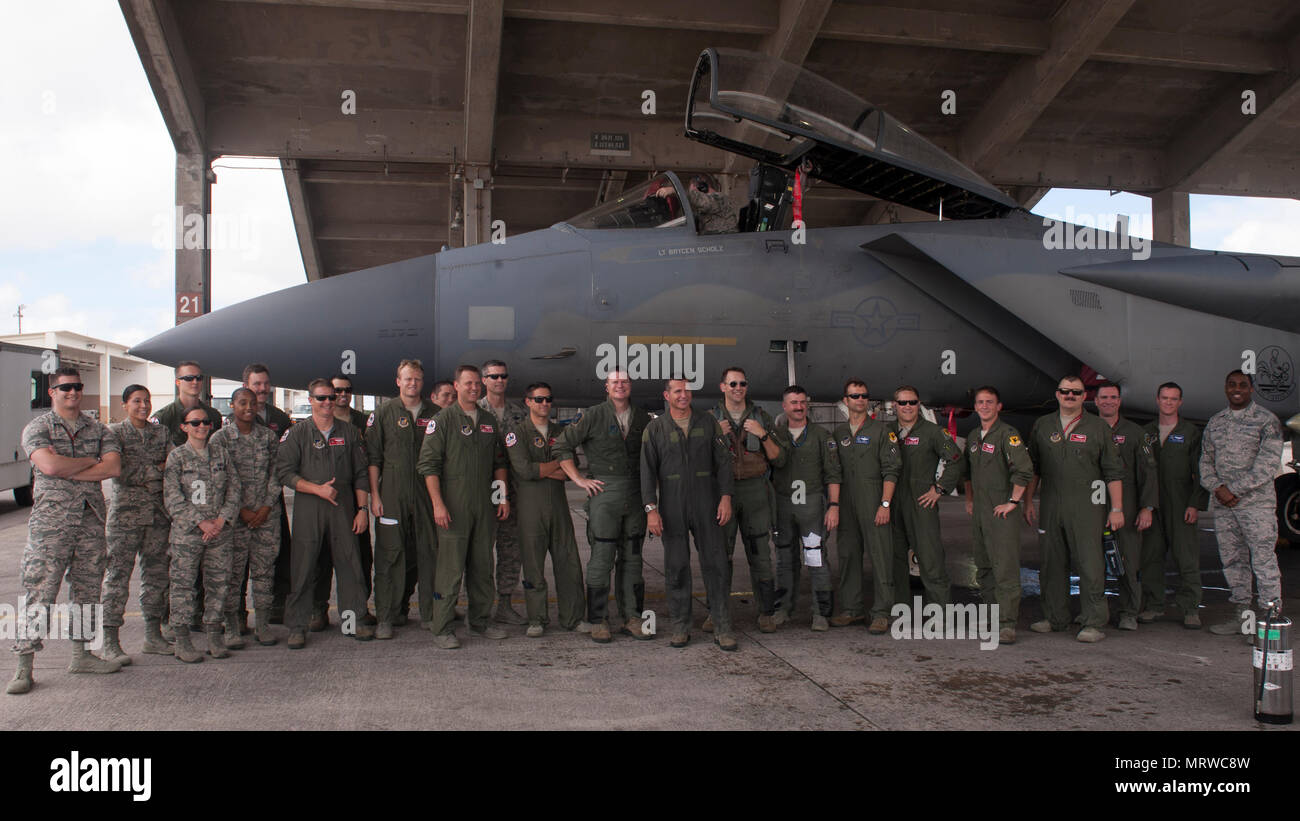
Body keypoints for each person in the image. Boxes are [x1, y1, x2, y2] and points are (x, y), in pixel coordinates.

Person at [8, 367, 123, 695]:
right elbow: (49, 465)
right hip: (51, 525)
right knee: (39, 593)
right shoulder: (38, 428)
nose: (72, 392)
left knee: (88, 591)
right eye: (65, 388)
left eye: (77, 387)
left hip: (90, 522)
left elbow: (113, 467)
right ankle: (24, 665)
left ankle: (81, 656)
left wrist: (67, 468)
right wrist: (90, 461)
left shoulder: (98, 428)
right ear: (52, 392)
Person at [275, 379, 375, 648]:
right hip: (310, 507)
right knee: (303, 566)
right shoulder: (297, 433)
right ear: (310, 400)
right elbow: (284, 473)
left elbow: (361, 474)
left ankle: (352, 622)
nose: (328, 402)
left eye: (331, 397)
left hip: (343, 507)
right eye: (321, 398)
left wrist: (362, 510)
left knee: (349, 563)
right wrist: (316, 489)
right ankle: (298, 626)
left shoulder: (350, 432)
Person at [1024, 375, 1125, 643]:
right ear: (1057, 394)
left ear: (1084, 397)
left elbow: (1113, 471)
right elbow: (1033, 468)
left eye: (1076, 392)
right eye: (1065, 391)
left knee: (1090, 564)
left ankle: (1093, 621)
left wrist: (1116, 508)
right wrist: (1028, 501)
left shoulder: (1098, 427)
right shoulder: (1043, 425)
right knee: (1052, 563)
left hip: (1087, 506)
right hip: (1051, 505)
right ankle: (1055, 617)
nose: (1070, 396)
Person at [555, 370, 652, 643]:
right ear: (606, 388)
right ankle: (598, 620)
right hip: (604, 495)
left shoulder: (643, 418)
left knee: (633, 559)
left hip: (635, 495)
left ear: (630, 386)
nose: (620, 386)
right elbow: (562, 446)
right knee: (602, 558)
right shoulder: (593, 415)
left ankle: (633, 617)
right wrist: (579, 479)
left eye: (624, 381)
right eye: (615, 382)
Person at [418, 365, 511, 648]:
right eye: (468, 383)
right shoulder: (443, 420)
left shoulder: (488, 420)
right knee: (450, 569)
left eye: (476, 384)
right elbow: (428, 466)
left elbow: (499, 462)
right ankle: (442, 628)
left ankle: (480, 621)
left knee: (483, 566)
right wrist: (438, 505)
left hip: (483, 505)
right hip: (454, 506)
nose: (473, 388)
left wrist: (502, 497)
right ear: (456, 386)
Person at [641, 378, 736, 650]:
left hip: (708, 503)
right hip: (672, 505)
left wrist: (726, 498)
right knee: (677, 566)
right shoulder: (655, 428)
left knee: (716, 564)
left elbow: (723, 463)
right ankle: (681, 626)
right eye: (678, 391)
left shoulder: (708, 423)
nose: (684, 395)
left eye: (687, 390)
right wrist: (651, 510)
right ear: (667, 396)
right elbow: (646, 472)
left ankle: (722, 626)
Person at [936, 386, 1032, 644]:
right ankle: (993, 615)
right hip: (980, 512)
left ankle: (1007, 623)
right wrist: (969, 499)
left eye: (990, 402)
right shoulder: (974, 436)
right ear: (975, 407)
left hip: (1002, 514)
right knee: (985, 567)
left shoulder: (1008, 435)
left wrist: (1013, 501)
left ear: (999, 407)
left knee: (1005, 568)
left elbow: (1023, 470)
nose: (985, 406)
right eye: (980, 402)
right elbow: (967, 472)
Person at [1200, 370, 1286, 637]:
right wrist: (1217, 488)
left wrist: (1232, 490)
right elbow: (1205, 462)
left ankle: (1271, 621)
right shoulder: (1216, 422)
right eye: (1232, 384)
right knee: (1233, 562)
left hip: (1256, 507)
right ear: (1226, 388)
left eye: (1242, 385)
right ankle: (1242, 618)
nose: (1236, 389)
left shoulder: (1266, 421)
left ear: (1251, 389)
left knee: (1263, 561)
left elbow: (1267, 465)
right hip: (1225, 508)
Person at [506, 382, 587, 637]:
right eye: (539, 399)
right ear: (528, 402)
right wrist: (556, 465)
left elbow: (571, 468)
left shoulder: (561, 432)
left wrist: (544, 469)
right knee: (533, 566)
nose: (544, 404)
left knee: (569, 563)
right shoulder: (517, 434)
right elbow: (524, 470)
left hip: (559, 508)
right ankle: (537, 619)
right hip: (531, 510)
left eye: (548, 399)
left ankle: (573, 618)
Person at [367, 360, 439, 638]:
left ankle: (430, 614)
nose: (412, 383)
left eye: (417, 379)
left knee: (429, 554)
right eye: (407, 378)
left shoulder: (436, 414)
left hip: (426, 495)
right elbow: (373, 458)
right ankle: (386, 616)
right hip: (392, 495)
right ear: (398, 381)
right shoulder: (383, 413)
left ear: (423, 382)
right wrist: (375, 496)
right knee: (389, 555)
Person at [101, 385, 173, 664]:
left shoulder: (161, 432)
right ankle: (110, 641)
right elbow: (119, 471)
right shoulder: (114, 434)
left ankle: (153, 636)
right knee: (117, 578)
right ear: (124, 405)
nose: (143, 406)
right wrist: (155, 470)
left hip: (157, 516)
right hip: (125, 517)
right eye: (136, 401)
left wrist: (152, 472)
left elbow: (173, 466)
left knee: (156, 576)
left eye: (147, 401)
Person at [163, 405, 240, 662]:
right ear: (184, 427)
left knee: (219, 584)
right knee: (183, 585)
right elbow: (172, 498)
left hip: (219, 532)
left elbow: (234, 489)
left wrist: (221, 520)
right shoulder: (177, 457)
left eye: (205, 422)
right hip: (188, 534)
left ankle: (214, 635)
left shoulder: (221, 453)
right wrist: (201, 523)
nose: (201, 427)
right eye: (195, 423)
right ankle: (182, 640)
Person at [708, 366, 781, 633]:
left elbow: (778, 457)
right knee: (720, 555)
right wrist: (715, 434)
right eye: (733, 384)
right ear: (723, 387)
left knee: (761, 555)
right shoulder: (710, 419)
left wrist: (762, 434)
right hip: (723, 493)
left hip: (755, 492)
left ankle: (766, 613)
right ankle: (716, 613)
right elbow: (697, 459)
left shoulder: (762, 417)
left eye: (742, 384)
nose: (738, 388)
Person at [209, 388, 282, 647]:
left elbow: (277, 474)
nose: (248, 407)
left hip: (266, 518)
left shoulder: (268, 437)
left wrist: (265, 508)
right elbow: (218, 481)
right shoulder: (220, 439)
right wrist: (241, 510)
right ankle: (232, 627)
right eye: (242, 403)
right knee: (232, 574)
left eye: (252, 403)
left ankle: (262, 625)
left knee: (264, 573)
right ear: (232, 405)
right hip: (234, 519)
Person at [830, 380, 901, 634]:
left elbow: (892, 470)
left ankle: (882, 612)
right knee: (848, 555)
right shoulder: (839, 433)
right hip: (847, 502)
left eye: (863, 396)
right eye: (855, 396)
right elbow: (833, 471)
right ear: (845, 400)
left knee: (881, 556)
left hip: (873, 500)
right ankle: (852, 608)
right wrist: (834, 505)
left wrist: (885, 504)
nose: (860, 400)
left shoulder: (881, 431)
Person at [768, 385, 841, 630]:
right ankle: (783, 609)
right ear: (784, 406)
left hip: (811, 506)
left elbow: (833, 474)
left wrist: (833, 505)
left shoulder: (821, 435)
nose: (798, 407)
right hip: (783, 505)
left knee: (816, 558)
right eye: (793, 402)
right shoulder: (775, 435)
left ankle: (821, 612)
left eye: (802, 402)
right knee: (784, 559)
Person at [1139, 382, 1209, 628]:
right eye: (1164, 398)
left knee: (1186, 557)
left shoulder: (1190, 433)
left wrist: (1195, 504)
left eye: (1173, 399)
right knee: (1150, 556)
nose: (1168, 402)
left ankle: (1190, 609)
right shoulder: (1145, 432)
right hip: (1152, 504)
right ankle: (1153, 605)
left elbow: (1201, 472)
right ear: (1157, 400)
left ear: (1180, 402)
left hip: (1180, 503)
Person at [887, 386, 963, 608]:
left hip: (921, 504)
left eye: (912, 402)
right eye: (903, 402)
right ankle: (899, 608)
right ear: (895, 405)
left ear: (918, 404)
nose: (907, 407)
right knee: (895, 560)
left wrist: (939, 489)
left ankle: (940, 611)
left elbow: (956, 460)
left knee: (930, 559)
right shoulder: (886, 432)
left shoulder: (933, 432)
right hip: (893, 504)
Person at [313, 373, 375, 629]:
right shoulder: (315, 423)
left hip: (354, 499)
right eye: (337, 390)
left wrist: (364, 505)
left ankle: (359, 609)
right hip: (324, 501)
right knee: (322, 557)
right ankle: (318, 610)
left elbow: (370, 460)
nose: (341, 395)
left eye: (347, 390)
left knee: (359, 557)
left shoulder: (362, 422)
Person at [1093, 382, 1157, 631]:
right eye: (1103, 397)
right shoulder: (1087, 429)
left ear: (1119, 401)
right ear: (1096, 401)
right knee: (1092, 562)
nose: (1108, 401)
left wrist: (1147, 507)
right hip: (1094, 504)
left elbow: (1148, 472)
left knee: (1128, 561)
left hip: (1127, 506)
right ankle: (1094, 612)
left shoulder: (1135, 433)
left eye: (1113, 397)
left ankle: (1129, 612)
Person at [478, 359, 528, 625]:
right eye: (494, 376)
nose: (499, 380)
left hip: (514, 493)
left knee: (510, 550)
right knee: (480, 551)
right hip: (480, 491)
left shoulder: (519, 413)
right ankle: (479, 607)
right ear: (484, 380)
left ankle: (505, 605)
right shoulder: (474, 411)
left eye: (503, 376)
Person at [244, 363, 294, 626]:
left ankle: (277, 605)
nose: (262, 389)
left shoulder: (280, 419)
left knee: (279, 553)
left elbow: (283, 464)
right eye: (256, 384)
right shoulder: (233, 420)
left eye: (265, 384)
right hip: (241, 505)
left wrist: (267, 504)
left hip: (272, 501)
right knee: (240, 561)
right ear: (246, 386)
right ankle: (237, 614)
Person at [151, 360, 223, 446]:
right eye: (189, 378)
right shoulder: (164, 417)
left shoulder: (213, 415)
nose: (195, 382)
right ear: (178, 382)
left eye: (199, 378)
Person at [658, 173, 737, 234]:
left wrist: (676, 190)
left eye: (694, 191)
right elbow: (688, 218)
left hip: (725, 241)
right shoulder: (702, 208)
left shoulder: (719, 198)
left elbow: (704, 202)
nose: (692, 192)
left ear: (702, 187)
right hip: (713, 241)